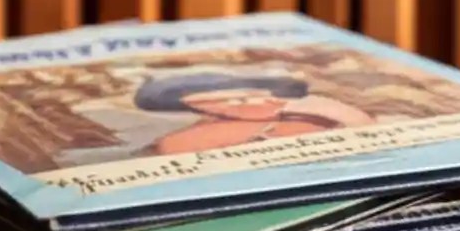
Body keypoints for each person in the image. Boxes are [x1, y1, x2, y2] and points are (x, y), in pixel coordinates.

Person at [133, 72, 374, 155]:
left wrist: (341, 113)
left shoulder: (316, 115)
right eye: (237, 101)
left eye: (259, 94)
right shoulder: (185, 140)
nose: (260, 102)